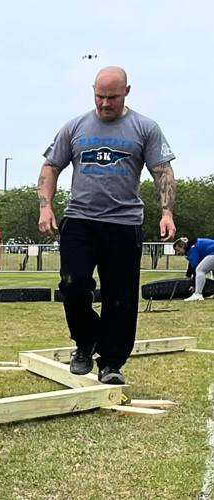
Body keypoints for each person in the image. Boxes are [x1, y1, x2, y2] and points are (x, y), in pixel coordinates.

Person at [38, 66, 176, 385]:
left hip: (124, 223)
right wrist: (45, 207)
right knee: (74, 284)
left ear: (127, 92)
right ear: (93, 92)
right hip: (80, 221)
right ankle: (85, 343)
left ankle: (111, 363)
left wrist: (166, 212)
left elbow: (163, 172)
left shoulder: (145, 128)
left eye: (112, 97)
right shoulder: (74, 128)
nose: (104, 104)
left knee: (121, 297)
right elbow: (50, 167)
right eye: (99, 96)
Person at [174, 237, 214, 302]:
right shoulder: (191, 247)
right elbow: (191, 264)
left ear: (183, 246)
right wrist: (187, 276)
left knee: (200, 270)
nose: (177, 253)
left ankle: (198, 294)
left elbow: (195, 268)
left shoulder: (192, 249)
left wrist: (194, 285)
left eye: (178, 250)